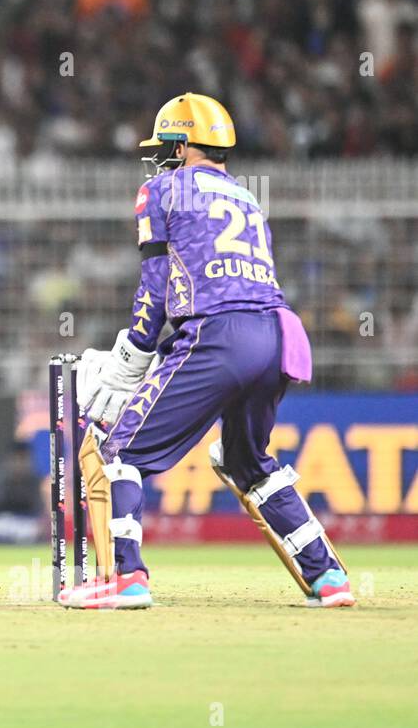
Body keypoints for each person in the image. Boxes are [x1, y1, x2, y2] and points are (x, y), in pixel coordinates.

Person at [66, 93, 354, 610]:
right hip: (280, 335)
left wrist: (131, 356)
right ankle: (329, 577)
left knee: (119, 451)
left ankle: (127, 578)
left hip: (218, 335)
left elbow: (155, 285)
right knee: (249, 462)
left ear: (181, 145)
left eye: (166, 146)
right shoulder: (246, 197)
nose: (159, 158)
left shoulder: (162, 188)